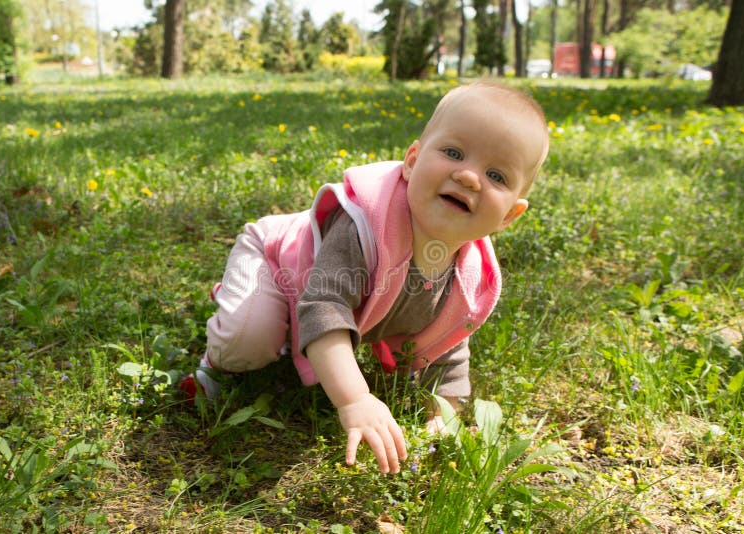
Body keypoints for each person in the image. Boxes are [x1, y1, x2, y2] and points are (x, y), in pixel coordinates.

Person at [180, 81, 550, 475]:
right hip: (277, 263)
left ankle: (274, 321)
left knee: (287, 335)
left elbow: (448, 341)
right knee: (249, 340)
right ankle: (224, 338)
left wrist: (445, 411)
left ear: (510, 215)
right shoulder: (364, 226)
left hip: (316, 287)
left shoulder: (468, 274)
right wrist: (355, 398)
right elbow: (323, 308)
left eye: (496, 175)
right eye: (454, 153)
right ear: (412, 160)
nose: (469, 177)